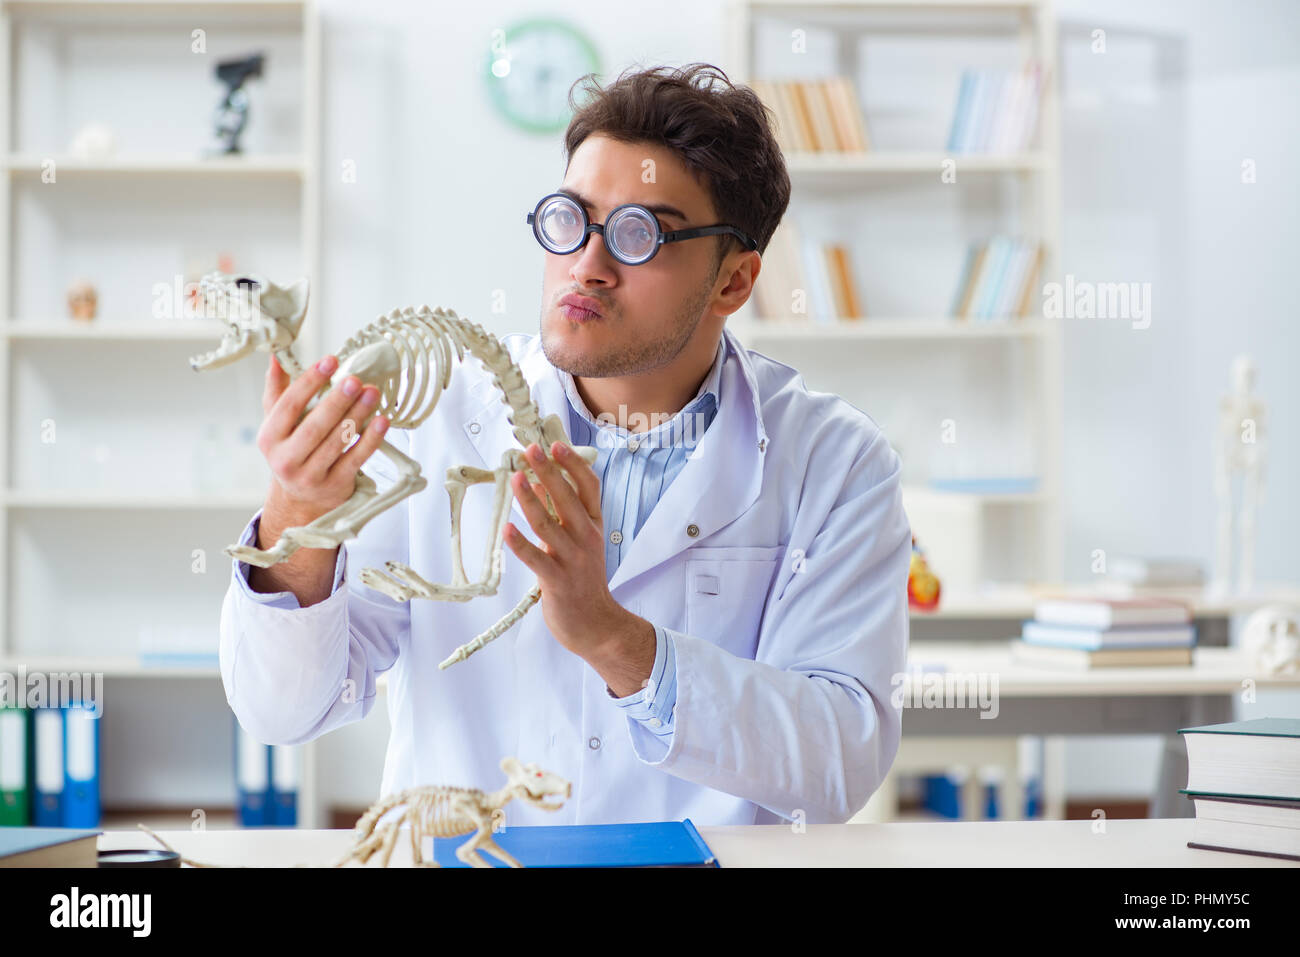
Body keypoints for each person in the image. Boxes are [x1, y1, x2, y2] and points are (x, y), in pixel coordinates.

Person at [220, 63, 911, 826]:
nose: (587, 263)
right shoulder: (435, 417)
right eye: (569, 218)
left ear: (734, 282)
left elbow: (840, 758)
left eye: (640, 234)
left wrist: (618, 642)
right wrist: (295, 516)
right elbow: (282, 712)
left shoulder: (836, 461)